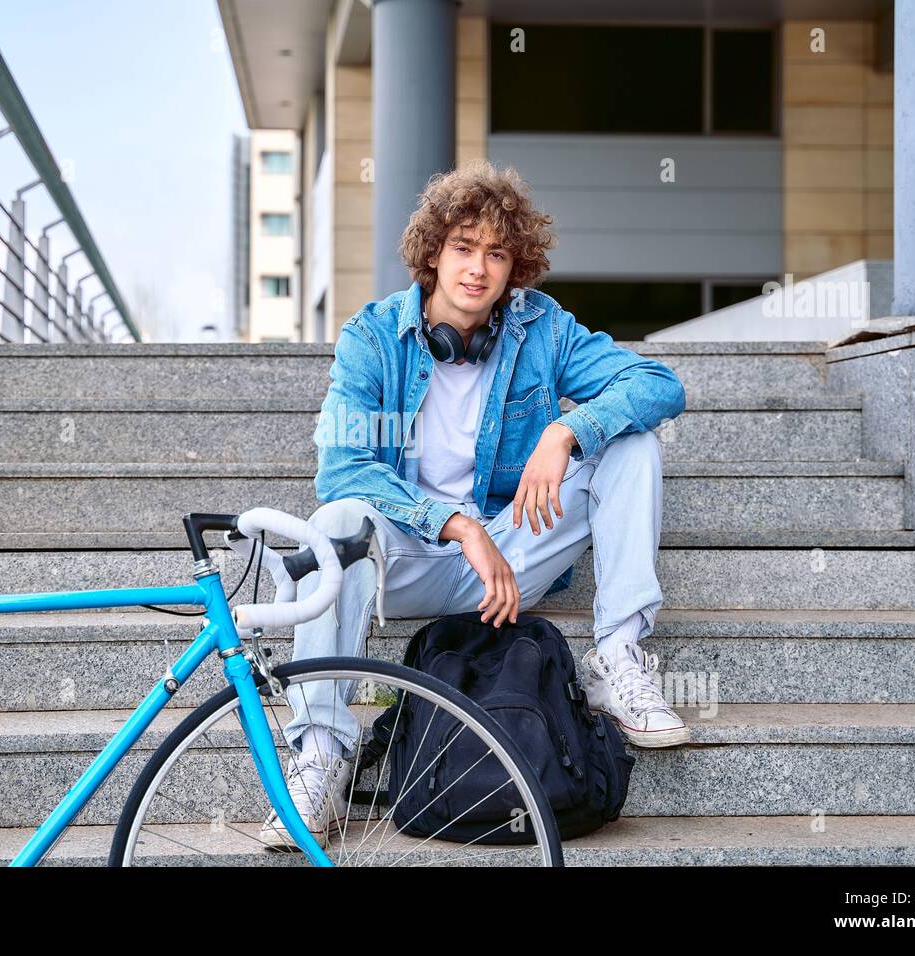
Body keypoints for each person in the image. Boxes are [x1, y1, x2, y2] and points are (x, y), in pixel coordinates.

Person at [259, 159, 688, 849]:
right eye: (463, 247)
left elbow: (658, 383)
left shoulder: (539, 328)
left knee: (632, 444)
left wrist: (567, 430)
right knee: (335, 523)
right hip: (402, 559)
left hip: (512, 551)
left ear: (515, 266)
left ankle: (618, 656)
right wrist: (454, 525)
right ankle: (323, 753)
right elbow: (342, 469)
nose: (478, 269)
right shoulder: (372, 338)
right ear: (433, 252)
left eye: (497, 253)